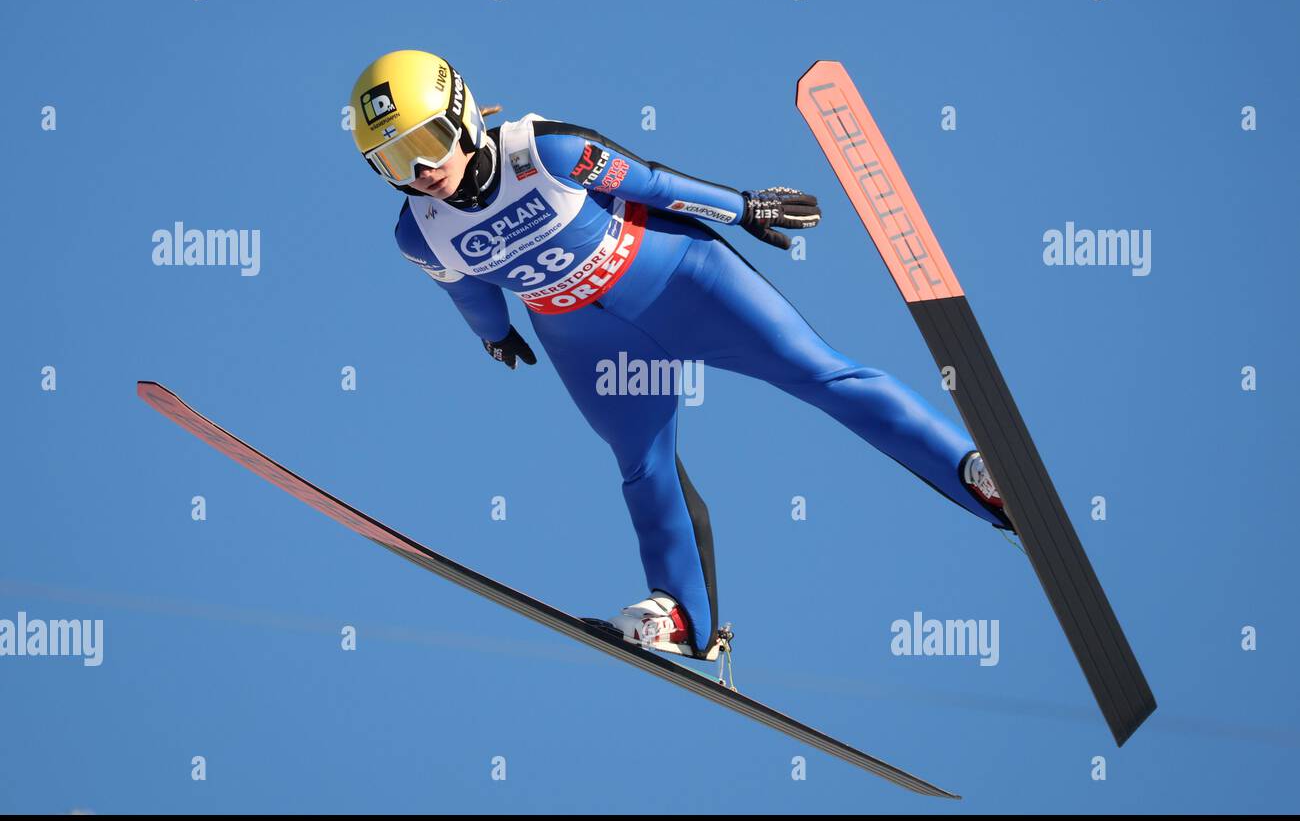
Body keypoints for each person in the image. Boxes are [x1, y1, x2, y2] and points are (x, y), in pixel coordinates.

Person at [348, 50, 1010, 661]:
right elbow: (467, 291)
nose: (420, 171)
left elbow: (653, 183)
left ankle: (975, 473)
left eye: (427, 142)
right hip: (588, 342)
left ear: (463, 115)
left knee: (820, 373)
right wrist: (492, 334)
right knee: (642, 464)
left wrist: (743, 209)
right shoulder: (418, 233)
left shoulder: (545, 151)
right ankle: (684, 617)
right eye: (393, 161)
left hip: (682, 281)